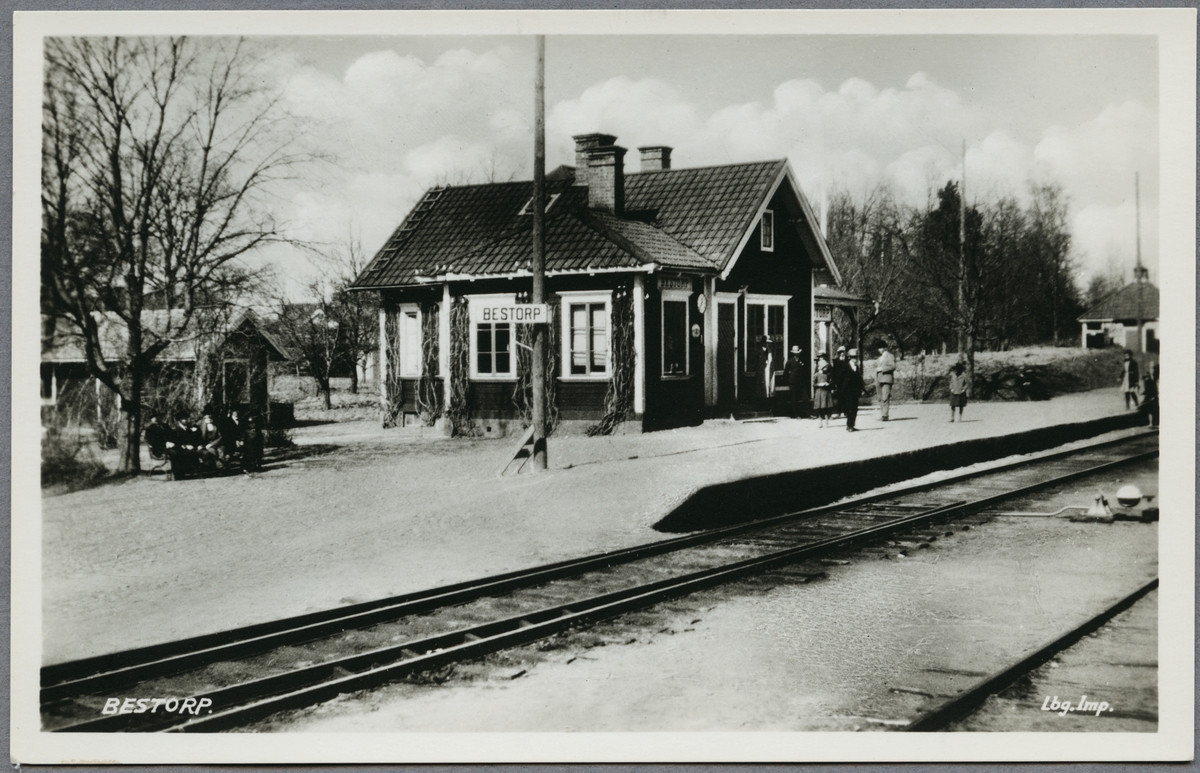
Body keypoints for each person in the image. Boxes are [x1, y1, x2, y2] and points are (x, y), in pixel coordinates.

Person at [838, 348, 865, 431]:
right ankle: (849, 425)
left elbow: (859, 379)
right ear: (849, 357)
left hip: (855, 391)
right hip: (847, 391)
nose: (855, 359)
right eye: (853, 357)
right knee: (849, 408)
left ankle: (852, 425)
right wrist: (841, 389)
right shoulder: (845, 367)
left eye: (856, 357)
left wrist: (862, 389)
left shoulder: (857, 367)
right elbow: (840, 378)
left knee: (854, 408)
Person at [875, 342, 896, 421]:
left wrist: (882, 369)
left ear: (884, 348)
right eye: (878, 348)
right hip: (879, 379)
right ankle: (883, 414)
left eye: (880, 348)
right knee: (880, 398)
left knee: (885, 397)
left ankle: (885, 415)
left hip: (887, 380)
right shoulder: (879, 358)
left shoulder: (890, 356)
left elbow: (893, 366)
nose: (879, 350)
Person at [812, 353, 834, 428]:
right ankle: (820, 422)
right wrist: (818, 384)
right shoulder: (816, 375)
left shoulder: (827, 375)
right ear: (821, 367)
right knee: (819, 408)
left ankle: (826, 421)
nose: (826, 369)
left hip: (825, 392)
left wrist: (828, 384)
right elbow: (813, 384)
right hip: (819, 392)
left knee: (826, 408)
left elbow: (830, 381)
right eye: (825, 367)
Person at [782, 345, 805, 418]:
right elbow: (785, 372)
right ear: (793, 354)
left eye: (797, 353)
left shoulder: (801, 360)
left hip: (800, 382)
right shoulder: (790, 361)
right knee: (794, 398)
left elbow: (804, 371)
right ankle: (796, 414)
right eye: (795, 353)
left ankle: (807, 413)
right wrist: (789, 379)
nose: (796, 354)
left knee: (804, 397)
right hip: (793, 382)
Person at [830, 345, 849, 419]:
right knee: (840, 397)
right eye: (840, 352)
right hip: (839, 382)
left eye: (843, 352)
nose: (842, 353)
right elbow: (833, 372)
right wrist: (833, 383)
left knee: (846, 396)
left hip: (846, 381)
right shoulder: (835, 361)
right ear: (838, 353)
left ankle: (846, 412)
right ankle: (839, 411)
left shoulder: (847, 360)